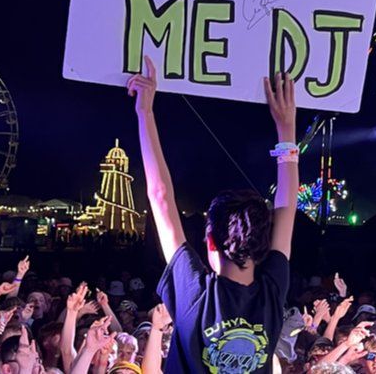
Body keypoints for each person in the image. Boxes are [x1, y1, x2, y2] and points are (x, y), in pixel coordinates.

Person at [127, 59, 298, 373]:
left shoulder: (195, 292)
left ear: (209, 240)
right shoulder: (272, 292)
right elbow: (287, 208)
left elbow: (161, 197)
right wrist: (286, 127)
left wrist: (145, 111)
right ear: (263, 244)